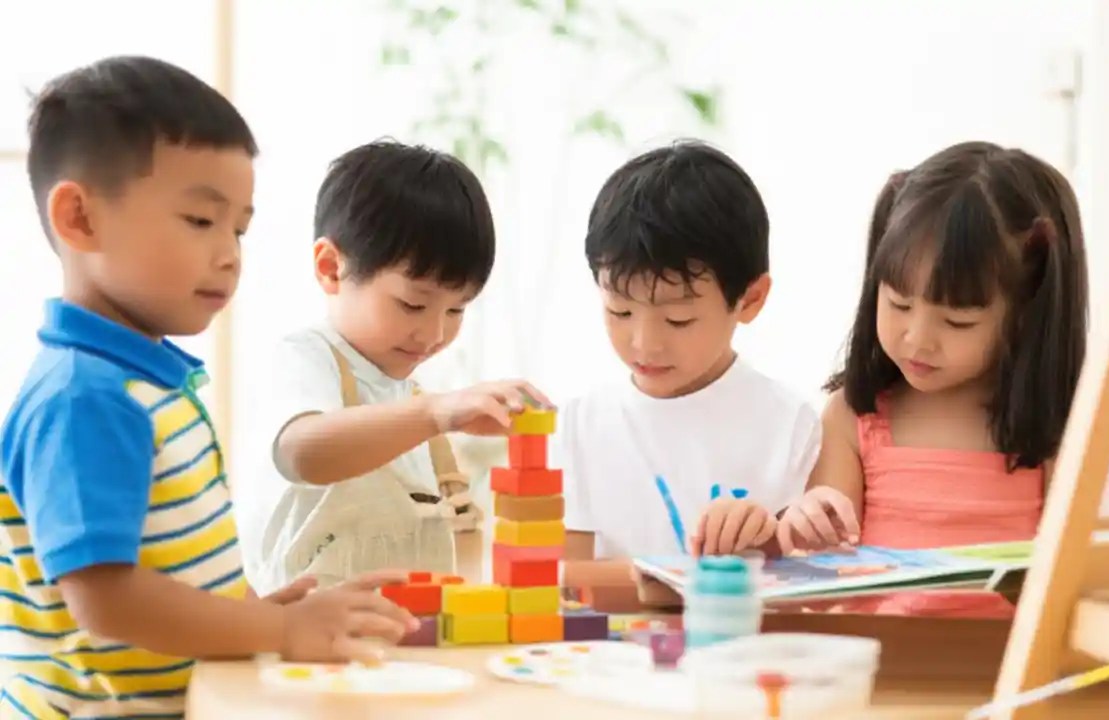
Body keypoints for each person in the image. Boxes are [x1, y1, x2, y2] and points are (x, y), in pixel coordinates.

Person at [0, 56, 414, 719]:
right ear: (80, 218)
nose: (229, 253)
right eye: (200, 221)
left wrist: (249, 615)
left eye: (240, 228)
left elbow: (168, 564)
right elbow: (104, 598)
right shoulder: (85, 397)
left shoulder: (145, 381)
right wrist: (278, 632)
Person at [778, 141, 1088, 617]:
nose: (917, 339)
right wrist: (806, 528)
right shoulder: (854, 417)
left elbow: (1074, 583)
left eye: (957, 321)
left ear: (1027, 315)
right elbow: (823, 583)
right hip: (883, 668)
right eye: (899, 304)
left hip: (1002, 675)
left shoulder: (1056, 429)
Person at [235, 140, 551, 593]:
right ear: (330, 268)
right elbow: (302, 452)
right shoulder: (304, 359)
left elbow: (456, 543)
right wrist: (438, 414)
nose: (434, 334)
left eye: (456, 310)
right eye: (412, 304)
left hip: (400, 643)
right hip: (305, 643)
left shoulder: (414, 401)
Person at [559, 140, 820, 561]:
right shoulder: (580, 425)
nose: (644, 342)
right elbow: (567, 587)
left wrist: (768, 541)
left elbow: (808, 583)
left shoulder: (790, 424)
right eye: (620, 311)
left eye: (678, 319)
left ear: (750, 300)